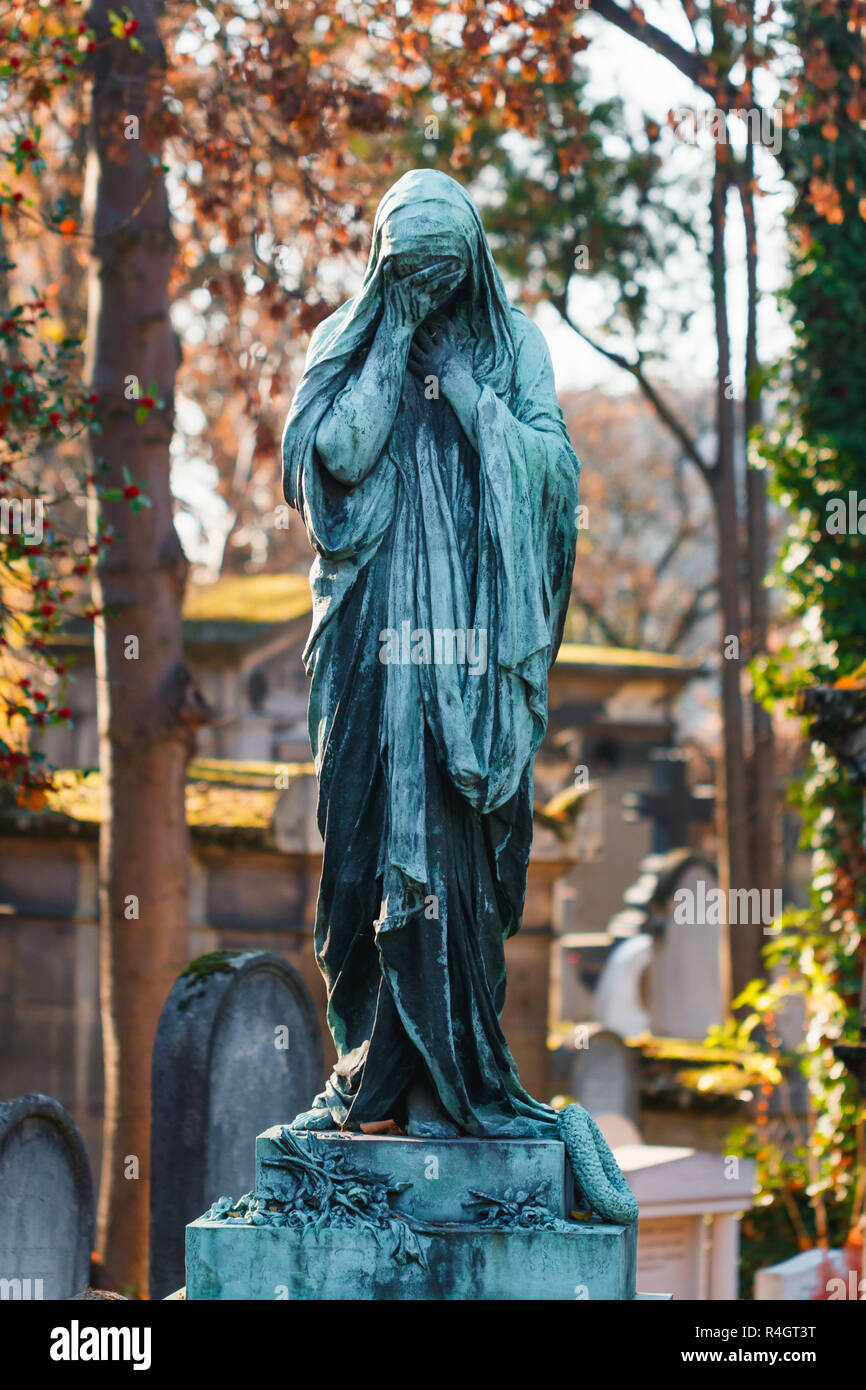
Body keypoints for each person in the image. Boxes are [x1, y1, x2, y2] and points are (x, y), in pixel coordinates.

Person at [282, 168, 580, 1140]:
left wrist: (464, 399)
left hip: (470, 672)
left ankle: (458, 1082)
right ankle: (363, 1070)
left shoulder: (511, 347)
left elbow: (553, 474)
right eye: (411, 275)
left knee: (459, 866)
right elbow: (336, 457)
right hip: (370, 652)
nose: (431, 294)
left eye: (444, 274)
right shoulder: (346, 341)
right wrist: (393, 336)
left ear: (474, 264)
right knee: (358, 862)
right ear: (382, 264)